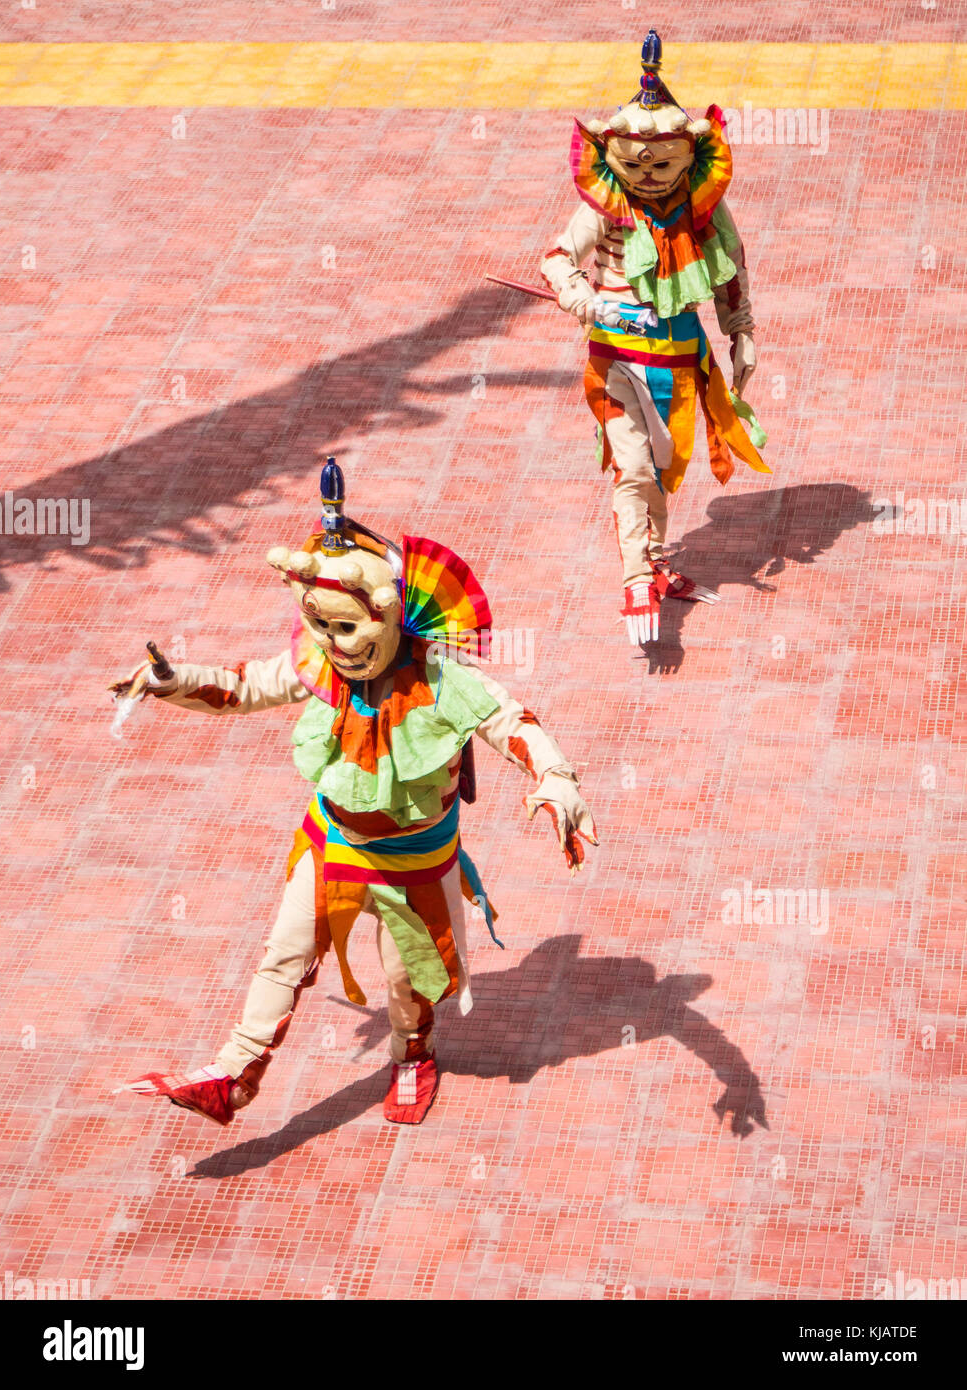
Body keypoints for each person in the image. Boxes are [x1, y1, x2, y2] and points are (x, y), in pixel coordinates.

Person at [114, 461, 597, 1126]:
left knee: (407, 985)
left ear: (390, 615)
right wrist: (172, 680)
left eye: (348, 629)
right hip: (332, 845)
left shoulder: (442, 679)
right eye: (321, 626)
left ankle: (413, 1058)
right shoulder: (318, 659)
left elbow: (514, 722)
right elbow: (245, 685)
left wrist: (555, 781)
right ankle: (233, 1076)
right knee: (283, 954)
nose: (335, 646)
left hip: (416, 865)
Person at [539, 29, 771, 647]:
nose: (647, 175)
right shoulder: (605, 207)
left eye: (662, 163)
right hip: (616, 357)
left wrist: (741, 332)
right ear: (610, 154)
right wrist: (581, 296)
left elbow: (731, 267)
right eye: (634, 162)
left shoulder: (702, 209)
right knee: (634, 468)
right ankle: (636, 576)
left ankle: (658, 562)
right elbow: (557, 258)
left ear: (690, 157)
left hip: (680, 359)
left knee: (664, 469)